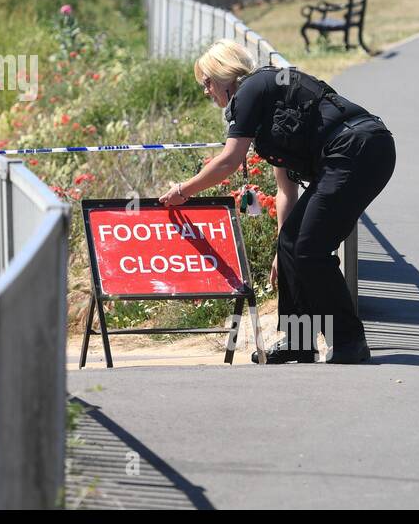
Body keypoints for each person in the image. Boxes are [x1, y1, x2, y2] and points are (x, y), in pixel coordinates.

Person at [159, 39, 396, 363]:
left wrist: (183, 191)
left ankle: (349, 340)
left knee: (311, 249)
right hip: (354, 154)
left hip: (356, 150)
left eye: (207, 82)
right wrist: (281, 252)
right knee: (294, 244)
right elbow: (286, 190)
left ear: (224, 76)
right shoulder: (265, 103)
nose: (206, 91)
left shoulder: (252, 89)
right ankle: (298, 342)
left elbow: (229, 160)